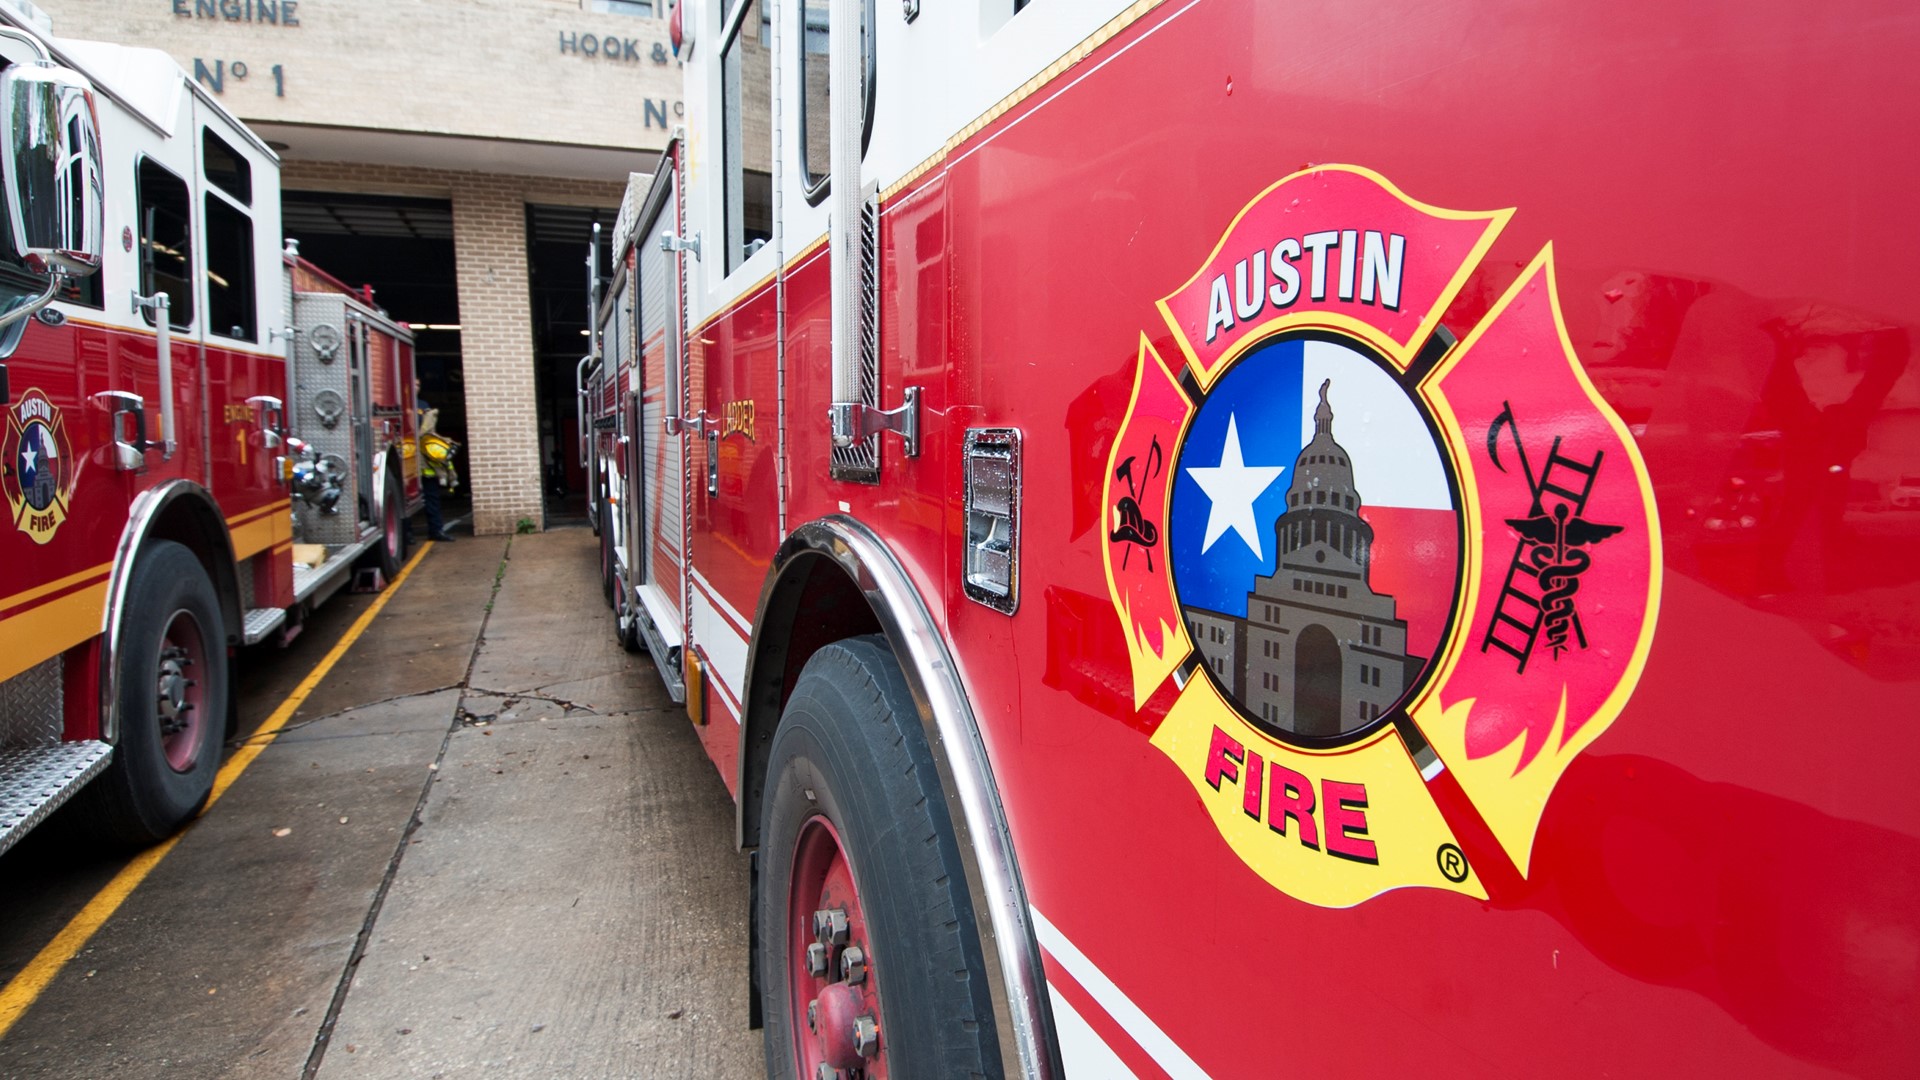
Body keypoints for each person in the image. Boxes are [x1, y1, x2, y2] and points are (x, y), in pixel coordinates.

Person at [416, 380, 455, 542]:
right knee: (406, 502)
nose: (416, 387)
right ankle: (407, 535)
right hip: (409, 460)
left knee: (432, 497)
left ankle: (436, 530)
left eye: (418, 384)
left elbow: (430, 431)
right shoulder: (402, 405)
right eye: (413, 384)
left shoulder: (423, 405)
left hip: (426, 460)